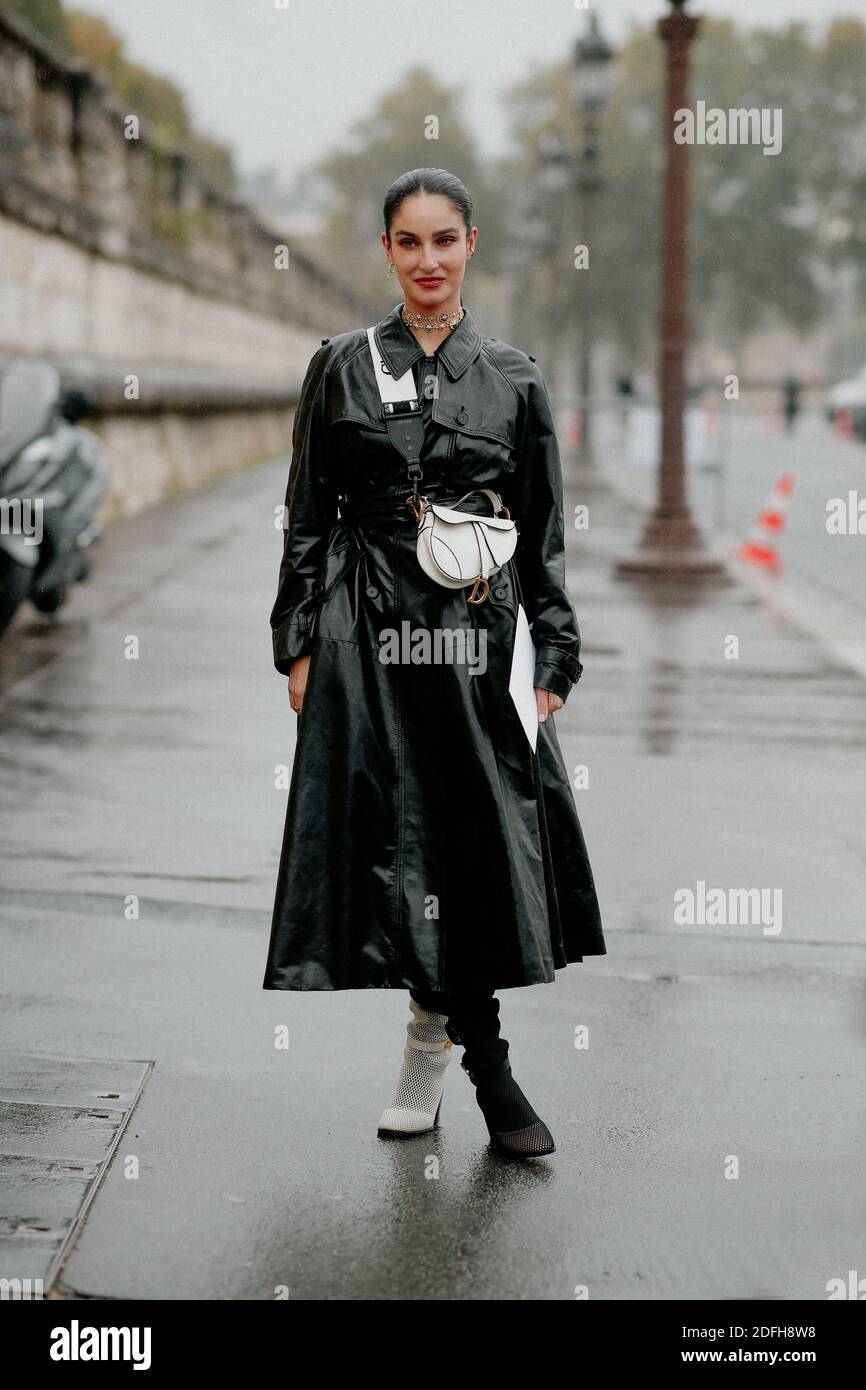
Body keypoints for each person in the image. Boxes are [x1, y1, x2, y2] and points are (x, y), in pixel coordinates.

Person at [262, 167, 606, 1160]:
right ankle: (465, 1057)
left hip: (477, 639)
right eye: (407, 242)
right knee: (395, 840)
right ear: (386, 250)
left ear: (469, 245)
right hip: (363, 636)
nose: (426, 260)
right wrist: (294, 639)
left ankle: (454, 1049)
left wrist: (556, 652)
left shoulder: (514, 376)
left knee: (469, 843)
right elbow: (306, 515)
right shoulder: (339, 365)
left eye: (443, 240)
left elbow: (539, 531)